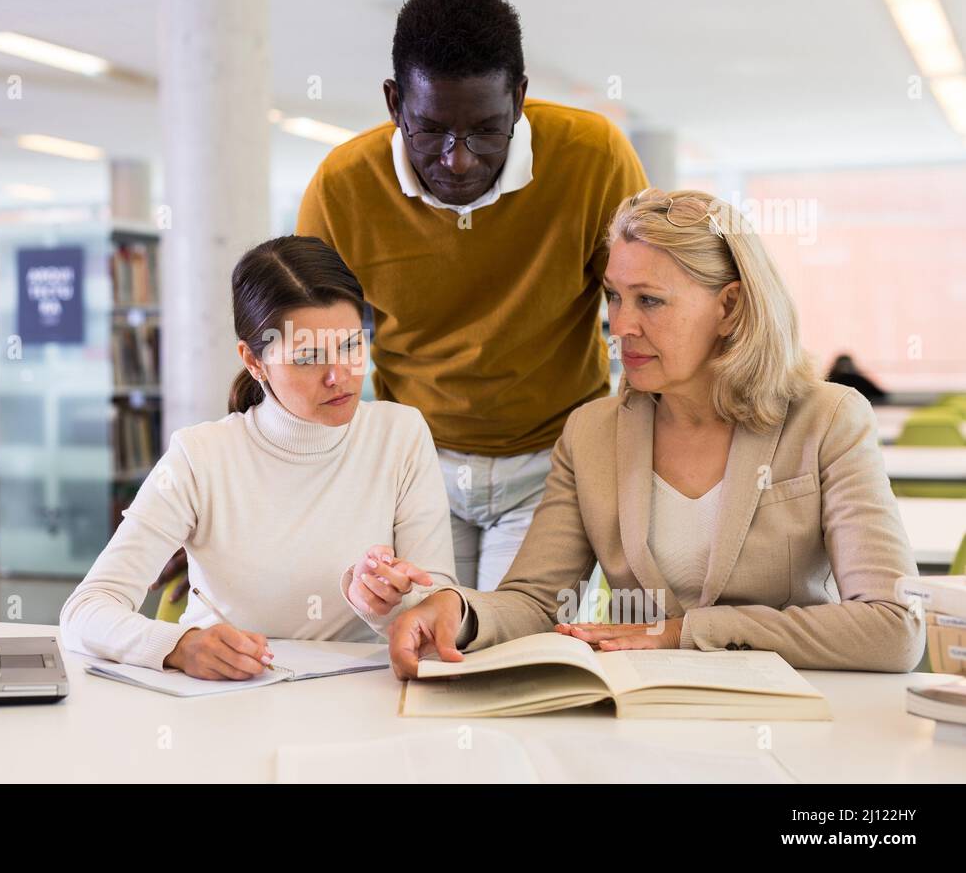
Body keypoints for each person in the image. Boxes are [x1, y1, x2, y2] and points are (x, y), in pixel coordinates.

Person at [387, 189, 924, 677]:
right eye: (614, 297)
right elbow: (536, 602)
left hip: (793, 714)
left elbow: (894, 628)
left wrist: (683, 634)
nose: (620, 326)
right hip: (639, 713)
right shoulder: (592, 433)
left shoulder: (828, 420)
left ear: (730, 307)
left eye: (649, 300)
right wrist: (458, 610)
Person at [296, 0, 649, 591]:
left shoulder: (594, 156)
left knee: (514, 654)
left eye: (486, 130)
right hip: (416, 464)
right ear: (393, 104)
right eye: (429, 130)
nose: (458, 161)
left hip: (554, 460)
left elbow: (648, 305)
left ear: (518, 99)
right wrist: (234, 498)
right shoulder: (342, 185)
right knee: (425, 647)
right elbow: (301, 352)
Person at [60, 236, 456, 680]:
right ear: (254, 361)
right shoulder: (200, 456)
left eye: (350, 346)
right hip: (226, 701)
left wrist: (385, 604)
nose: (339, 376)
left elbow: (437, 606)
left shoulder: (400, 435)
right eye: (308, 358)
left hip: (358, 694)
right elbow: (84, 611)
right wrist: (177, 646)